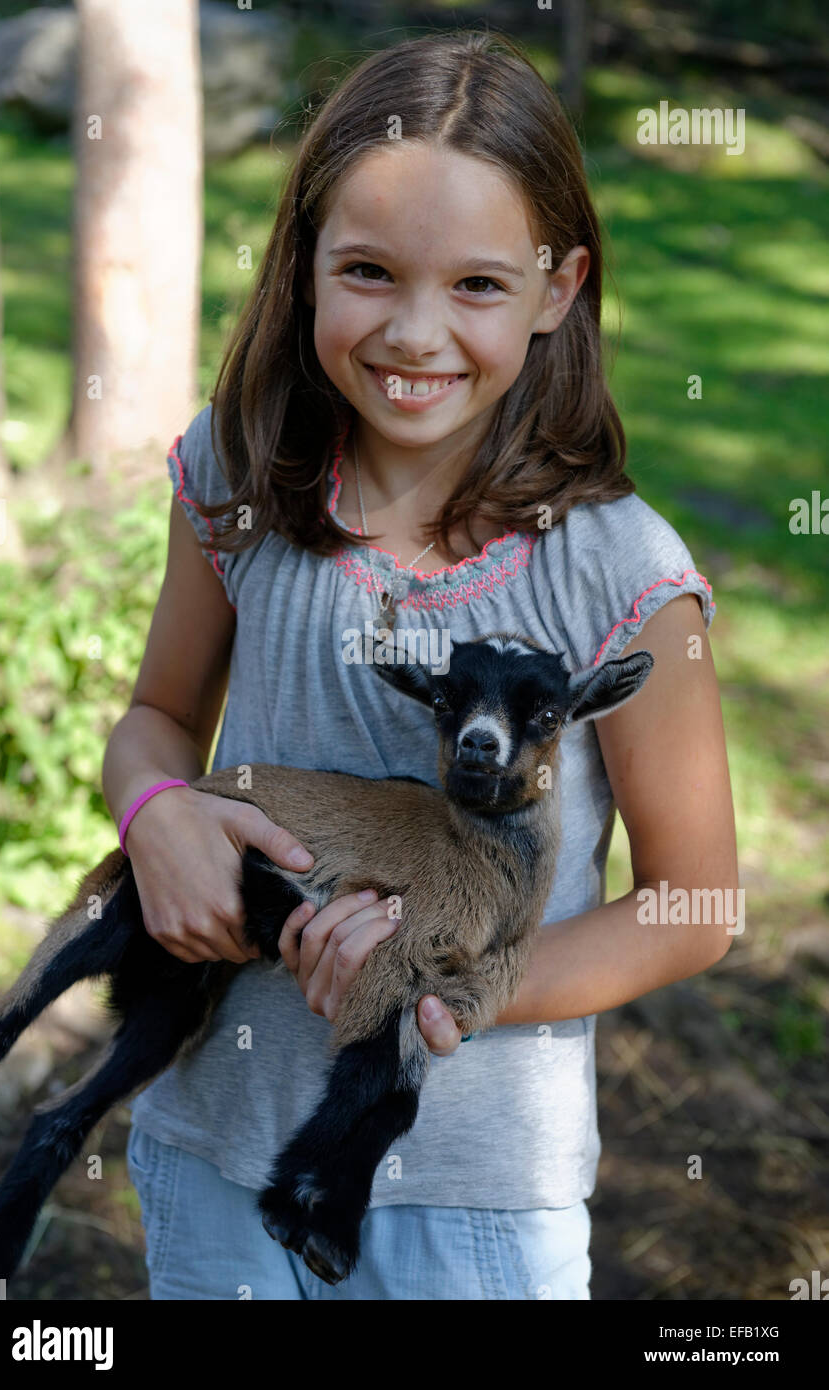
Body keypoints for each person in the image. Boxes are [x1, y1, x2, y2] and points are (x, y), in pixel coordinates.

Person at [102, 30, 737, 1300]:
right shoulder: (237, 480)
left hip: (473, 1201)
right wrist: (157, 809)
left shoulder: (621, 572)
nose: (415, 331)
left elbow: (698, 904)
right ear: (303, 270)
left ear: (560, 288)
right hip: (216, 1144)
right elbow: (159, 716)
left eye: (479, 287)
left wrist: (453, 987)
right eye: (370, 272)